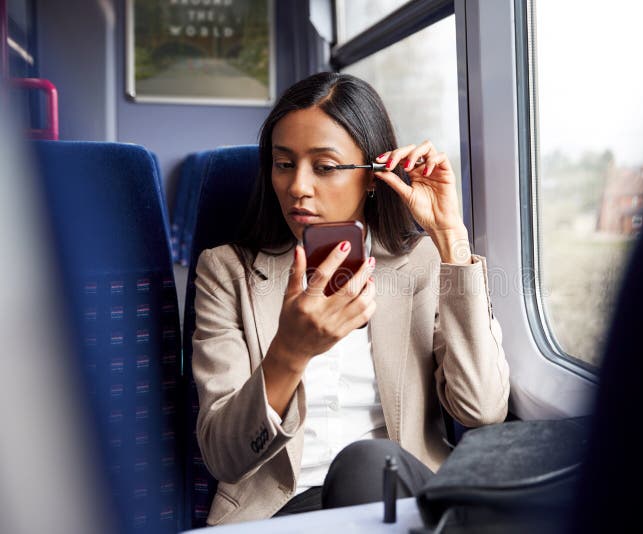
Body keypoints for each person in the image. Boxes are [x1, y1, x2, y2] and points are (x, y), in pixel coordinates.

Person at [192, 72, 510, 525]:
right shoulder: (227, 272)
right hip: (278, 512)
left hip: (398, 502)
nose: (298, 186)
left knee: (366, 466)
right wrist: (290, 352)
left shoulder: (421, 263)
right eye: (284, 164)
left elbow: (481, 409)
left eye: (324, 167)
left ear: (373, 178)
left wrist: (449, 238)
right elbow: (223, 457)